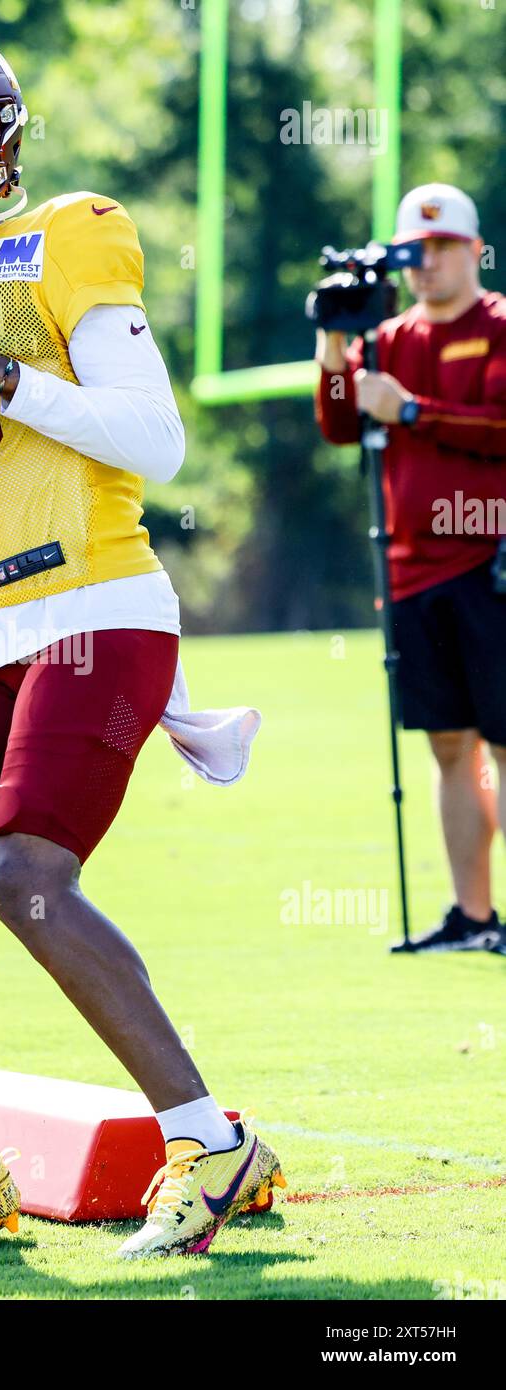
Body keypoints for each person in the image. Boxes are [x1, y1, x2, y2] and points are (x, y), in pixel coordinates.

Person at [0, 23, 280, 1261]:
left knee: (24, 875)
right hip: (0, 633)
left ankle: (211, 1141)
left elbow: (158, 442)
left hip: (101, 607)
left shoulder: (70, 232)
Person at [316, 183, 506, 956]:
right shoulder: (387, 339)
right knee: (447, 743)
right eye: (411, 253)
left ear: (471, 251)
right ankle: (472, 915)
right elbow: (336, 422)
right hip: (411, 571)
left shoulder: (496, 326)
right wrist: (330, 343)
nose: (424, 265)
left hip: (489, 559)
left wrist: (416, 412)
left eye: (438, 249)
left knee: (504, 741)